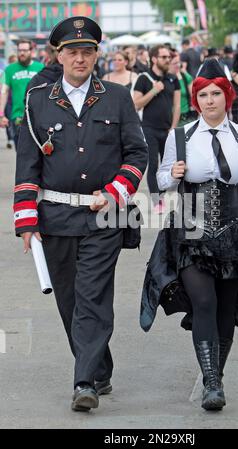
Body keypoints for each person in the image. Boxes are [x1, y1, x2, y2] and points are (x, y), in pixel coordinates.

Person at [13, 16, 147, 412]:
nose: (80, 58)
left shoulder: (118, 97)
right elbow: (27, 164)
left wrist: (114, 192)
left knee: (92, 297)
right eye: (72, 51)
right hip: (55, 216)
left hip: (103, 215)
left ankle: (84, 382)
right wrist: (26, 222)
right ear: (59, 55)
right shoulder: (37, 99)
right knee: (69, 301)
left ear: (96, 55)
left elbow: (137, 153)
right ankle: (99, 366)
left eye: (87, 51)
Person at [153, 59, 238, 411]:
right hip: (190, 231)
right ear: (195, 100)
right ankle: (211, 381)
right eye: (203, 95)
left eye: (216, 94)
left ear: (227, 96)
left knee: (227, 309)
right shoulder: (179, 137)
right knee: (205, 303)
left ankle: (216, 376)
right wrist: (173, 175)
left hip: (235, 233)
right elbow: (161, 181)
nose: (210, 101)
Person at [133, 45, 181, 213]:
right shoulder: (144, 78)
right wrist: (154, 90)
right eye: (163, 57)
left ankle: (169, 196)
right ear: (154, 59)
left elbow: (177, 105)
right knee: (153, 164)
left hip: (168, 129)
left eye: (169, 57)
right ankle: (157, 201)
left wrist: (174, 128)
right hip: (149, 128)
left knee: (168, 165)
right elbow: (136, 105)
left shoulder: (173, 79)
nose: (168, 60)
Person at [0, 40, 44, 150]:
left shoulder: (41, 68)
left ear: (31, 51)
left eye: (25, 50)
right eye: (19, 50)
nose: (22, 53)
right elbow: (4, 92)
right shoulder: (9, 70)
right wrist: (1, 114)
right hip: (18, 117)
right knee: (21, 153)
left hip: (38, 117)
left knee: (38, 153)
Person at [169, 51, 198, 126]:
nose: (178, 65)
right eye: (175, 63)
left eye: (179, 62)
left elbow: (194, 97)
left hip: (185, 119)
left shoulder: (186, 77)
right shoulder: (164, 79)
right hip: (168, 120)